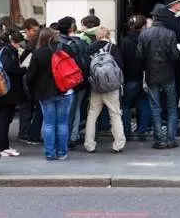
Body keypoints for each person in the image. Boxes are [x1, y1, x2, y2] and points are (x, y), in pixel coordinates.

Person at [136, 4, 180, 149]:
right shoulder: (170, 34)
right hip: (168, 74)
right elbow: (175, 56)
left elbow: (139, 55)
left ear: (154, 17)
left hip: (151, 74)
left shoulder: (144, 34)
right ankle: (171, 138)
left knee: (155, 108)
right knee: (172, 108)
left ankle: (160, 139)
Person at [26, 28, 74, 160]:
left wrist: (31, 91)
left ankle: (50, 152)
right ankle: (62, 152)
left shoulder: (38, 53)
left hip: (45, 92)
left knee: (49, 123)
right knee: (63, 124)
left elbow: (30, 76)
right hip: (64, 90)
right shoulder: (64, 49)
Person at [84, 27, 125, 153]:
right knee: (115, 114)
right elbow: (120, 65)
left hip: (96, 87)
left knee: (92, 115)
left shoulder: (90, 48)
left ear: (96, 36)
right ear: (108, 35)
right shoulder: (113, 48)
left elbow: (86, 67)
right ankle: (118, 144)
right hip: (111, 87)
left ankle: (89, 144)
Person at [57, 16, 90, 148]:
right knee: (74, 109)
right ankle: (72, 136)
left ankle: (63, 137)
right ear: (71, 27)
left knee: (62, 111)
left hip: (61, 80)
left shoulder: (56, 43)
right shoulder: (78, 42)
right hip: (77, 80)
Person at [0, 28, 27, 157]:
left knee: (3, 117)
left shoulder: (1, 49)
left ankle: (3, 144)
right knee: (3, 117)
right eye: (18, 43)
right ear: (13, 41)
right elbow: (10, 68)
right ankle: (2, 146)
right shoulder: (8, 51)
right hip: (7, 90)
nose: (19, 46)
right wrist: (23, 69)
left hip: (1, 89)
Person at [119, 15, 151, 141]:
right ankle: (142, 131)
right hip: (144, 77)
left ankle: (127, 132)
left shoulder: (125, 41)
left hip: (129, 78)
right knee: (143, 104)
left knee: (126, 105)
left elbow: (121, 61)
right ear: (143, 26)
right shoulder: (146, 40)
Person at [18, 18, 43, 145]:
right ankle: (24, 133)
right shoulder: (22, 44)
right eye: (34, 30)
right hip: (24, 77)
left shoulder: (34, 43)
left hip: (31, 77)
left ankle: (27, 132)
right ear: (27, 30)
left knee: (29, 106)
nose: (36, 33)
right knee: (26, 106)